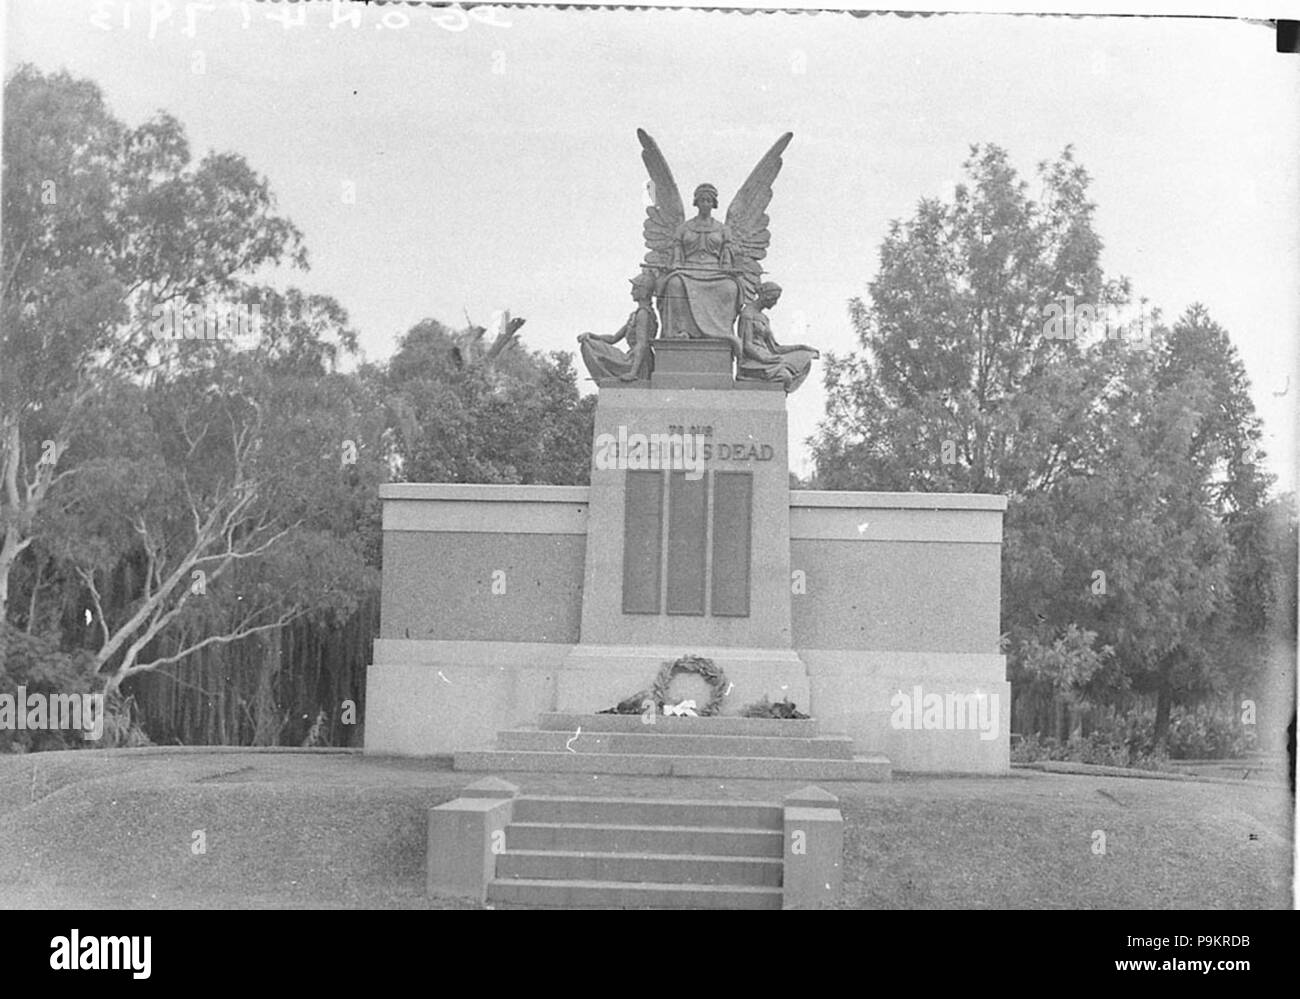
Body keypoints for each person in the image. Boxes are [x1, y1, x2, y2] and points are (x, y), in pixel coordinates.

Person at [656, 183, 744, 341]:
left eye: (709, 201)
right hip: (688, 270)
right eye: (702, 200)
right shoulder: (684, 228)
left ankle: (721, 333)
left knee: (730, 287)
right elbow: (677, 251)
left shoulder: (723, 229)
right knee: (674, 284)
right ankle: (680, 331)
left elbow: (726, 254)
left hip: (714, 272)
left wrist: (728, 268)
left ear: (713, 204)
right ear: (696, 202)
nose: (705, 204)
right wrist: (676, 263)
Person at [735, 282, 819, 393]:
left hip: (768, 358)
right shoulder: (747, 314)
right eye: (774, 299)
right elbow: (747, 345)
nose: (775, 303)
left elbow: (775, 348)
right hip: (753, 361)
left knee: (803, 362)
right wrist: (764, 359)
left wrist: (801, 347)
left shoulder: (764, 318)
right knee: (785, 377)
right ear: (766, 297)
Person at [578, 272, 657, 384]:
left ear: (644, 292)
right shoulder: (636, 314)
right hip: (632, 358)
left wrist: (633, 373)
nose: (631, 292)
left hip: (639, 363)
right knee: (590, 344)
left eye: (635, 289)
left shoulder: (643, 314)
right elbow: (613, 338)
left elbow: (642, 344)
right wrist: (591, 336)